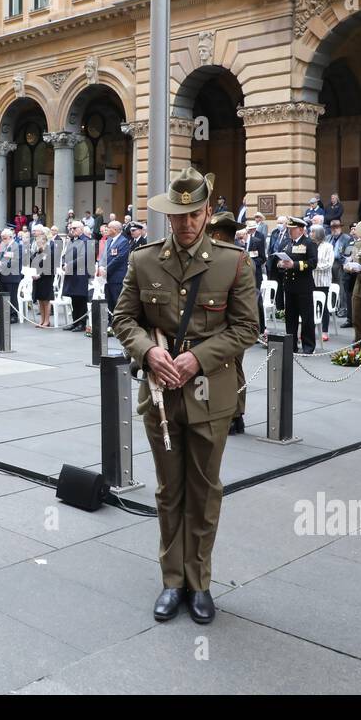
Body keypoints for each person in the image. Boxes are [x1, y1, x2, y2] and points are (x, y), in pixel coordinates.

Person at [111, 168, 259, 625]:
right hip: (160, 395)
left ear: (208, 212)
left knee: (205, 489)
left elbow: (247, 327)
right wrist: (148, 350)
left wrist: (198, 358)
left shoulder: (233, 261)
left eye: (194, 214)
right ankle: (172, 579)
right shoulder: (144, 260)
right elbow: (123, 319)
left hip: (209, 395)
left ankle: (200, 582)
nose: (187, 223)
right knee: (168, 490)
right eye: (179, 216)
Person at [207, 212, 249, 434]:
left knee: (233, 369)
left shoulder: (238, 259)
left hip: (233, 326)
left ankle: (235, 415)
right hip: (222, 325)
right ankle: (231, 414)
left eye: (213, 235)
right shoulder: (221, 258)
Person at [276, 216, 318, 353]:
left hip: (303, 286)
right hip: (289, 286)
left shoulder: (308, 243)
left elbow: (312, 263)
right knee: (290, 318)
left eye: (292, 229)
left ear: (300, 229)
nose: (289, 231)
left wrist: (294, 264)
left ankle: (308, 346)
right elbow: (281, 258)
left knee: (306, 318)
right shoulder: (288, 244)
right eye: (289, 229)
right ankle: (291, 345)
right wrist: (281, 264)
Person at [61, 220, 94, 331]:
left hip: (81, 273)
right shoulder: (71, 241)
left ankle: (82, 323)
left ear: (81, 229)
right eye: (71, 228)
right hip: (71, 273)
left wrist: (69, 265)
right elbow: (65, 254)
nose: (72, 230)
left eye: (74, 228)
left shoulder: (87, 241)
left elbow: (83, 258)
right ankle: (75, 322)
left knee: (81, 299)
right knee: (74, 298)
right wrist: (63, 264)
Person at [99, 219, 130, 313]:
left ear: (115, 230)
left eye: (109, 228)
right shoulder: (109, 240)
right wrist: (101, 266)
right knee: (109, 300)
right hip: (107, 277)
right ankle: (111, 323)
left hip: (117, 278)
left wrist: (106, 269)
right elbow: (104, 255)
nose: (106, 229)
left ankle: (117, 323)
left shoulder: (123, 241)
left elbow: (119, 259)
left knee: (117, 301)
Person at [310, 224, 334, 343]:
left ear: (318, 233)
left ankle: (325, 331)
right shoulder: (310, 245)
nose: (310, 234)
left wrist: (314, 266)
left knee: (322, 306)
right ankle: (311, 329)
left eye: (312, 232)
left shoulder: (328, 246)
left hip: (323, 280)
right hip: (310, 279)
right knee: (311, 305)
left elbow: (329, 264)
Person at [0, 228, 23, 320]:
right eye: (2, 238)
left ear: (11, 237)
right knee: (4, 296)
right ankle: (5, 314)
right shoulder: (3, 246)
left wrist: (2, 264)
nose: (3, 240)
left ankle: (13, 315)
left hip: (12, 276)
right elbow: (0, 257)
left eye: (5, 238)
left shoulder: (16, 246)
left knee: (12, 296)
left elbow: (14, 261)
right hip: (2, 275)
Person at [30, 226, 55, 327]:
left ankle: (47, 321)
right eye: (37, 241)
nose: (37, 242)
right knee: (40, 299)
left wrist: (39, 275)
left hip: (46, 278)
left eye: (39, 241)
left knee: (46, 300)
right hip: (37, 279)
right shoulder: (37, 252)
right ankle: (42, 320)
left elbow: (50, 267)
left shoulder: (49, 252)